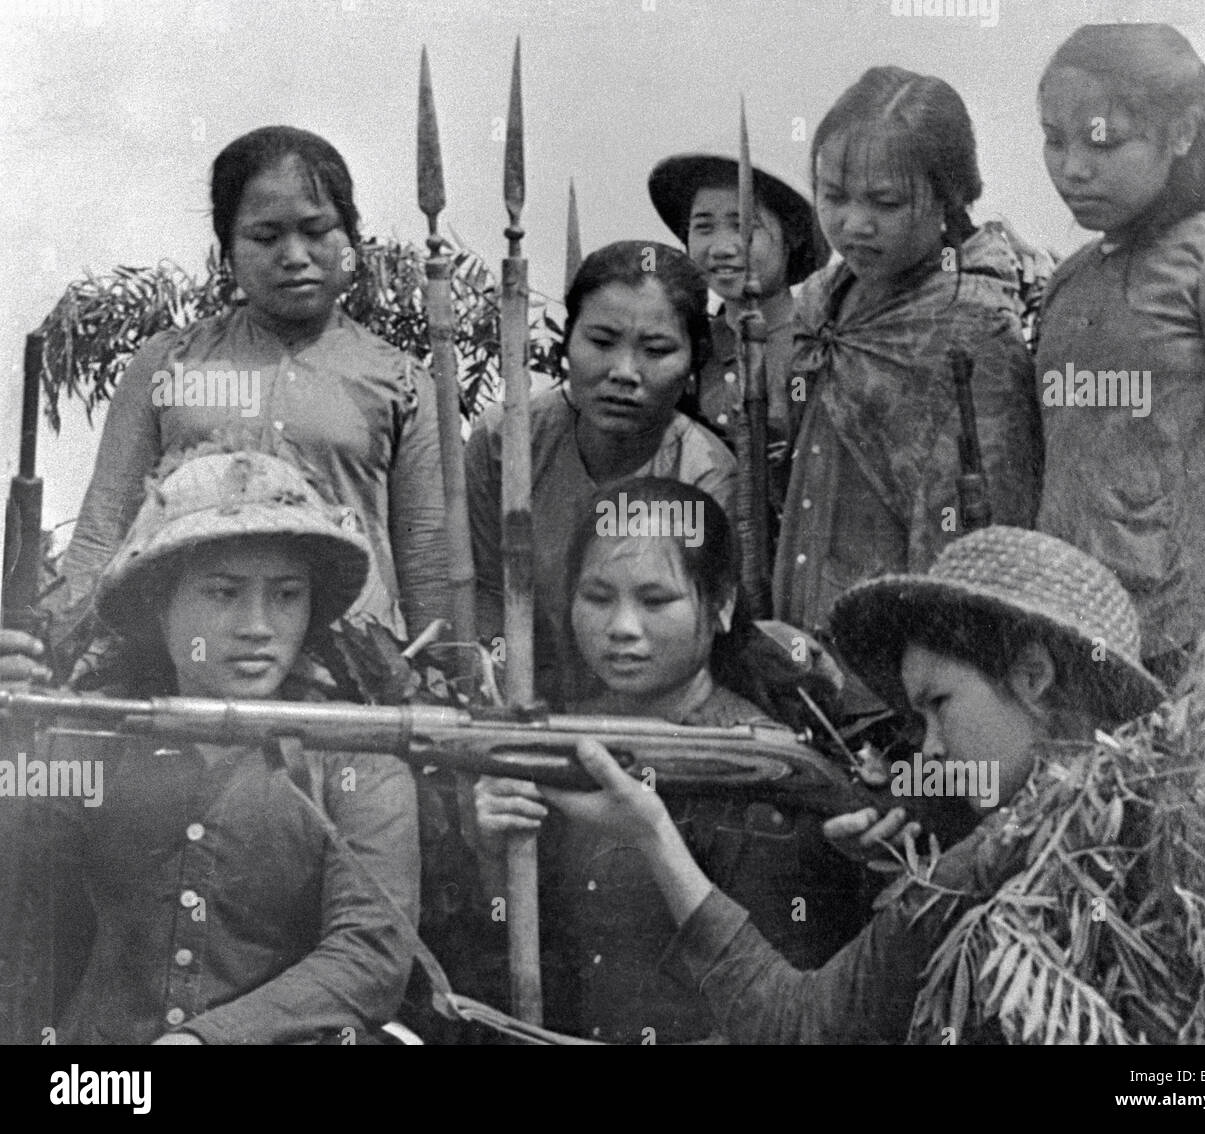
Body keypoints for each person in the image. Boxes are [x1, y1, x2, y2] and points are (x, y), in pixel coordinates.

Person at [536, 525, 1166, 1043]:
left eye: (940, 703)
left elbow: (795, 1028)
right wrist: (887, 870)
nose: (930, 747)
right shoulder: (1154, 820)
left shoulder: (985, 864)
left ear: (1033, 676)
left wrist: (653, 833)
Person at [0, 447, 419, 1044]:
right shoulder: (91, 739)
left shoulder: (357, 754)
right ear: (160, 604)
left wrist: (211, 1039)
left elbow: (371, 956)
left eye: (286, 595)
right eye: (222, 593)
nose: (257, 625)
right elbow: (18, 896)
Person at [471, 477, 863, 1043]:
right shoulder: (563, 737)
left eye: (655, 601)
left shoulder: (763, 766)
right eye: (598, 597)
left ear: (722, 604)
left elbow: (779, 1005)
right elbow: (527, 950)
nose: (621, 628)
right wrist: (495, 845)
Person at [51, 126, 450, 663]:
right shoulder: (169, 362)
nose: (295, 256)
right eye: (265, 237)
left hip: (353, 675)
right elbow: (103, 530)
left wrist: (441, 679)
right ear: (227, 252)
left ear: (351, 241)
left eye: (317, 230)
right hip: (185, 668)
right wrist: (57, 656)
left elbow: (427, 557)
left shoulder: (402, 382)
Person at [1034, 23, 1205, 684]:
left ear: (1182, 133)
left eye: (1103, 140)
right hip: (1068, 643)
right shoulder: (1066, 283)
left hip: (1193, 645)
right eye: (1054, 139)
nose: (1072, 167)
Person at [774, 66, 1043, 640]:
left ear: (949, 195)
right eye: (833, 196)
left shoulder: (971, 329)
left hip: (900, 640)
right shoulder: (825, 298)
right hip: (802, 615)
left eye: (885, 202)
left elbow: (981, 544)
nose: (852, 225)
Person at [466, 241, 737, 704]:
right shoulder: (506, 439)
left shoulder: (705, 472)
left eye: (655, 349)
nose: (624, 372)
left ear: (693, 361)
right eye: (601, 342)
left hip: (649, 717)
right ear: (566, 339)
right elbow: (487, 588)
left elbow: (695, 637)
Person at [648, 152, 827, 488]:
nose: (722, 247)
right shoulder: (686, 348)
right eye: (703, 227)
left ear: (792, 236)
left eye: (744, 226)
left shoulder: (821, 345)